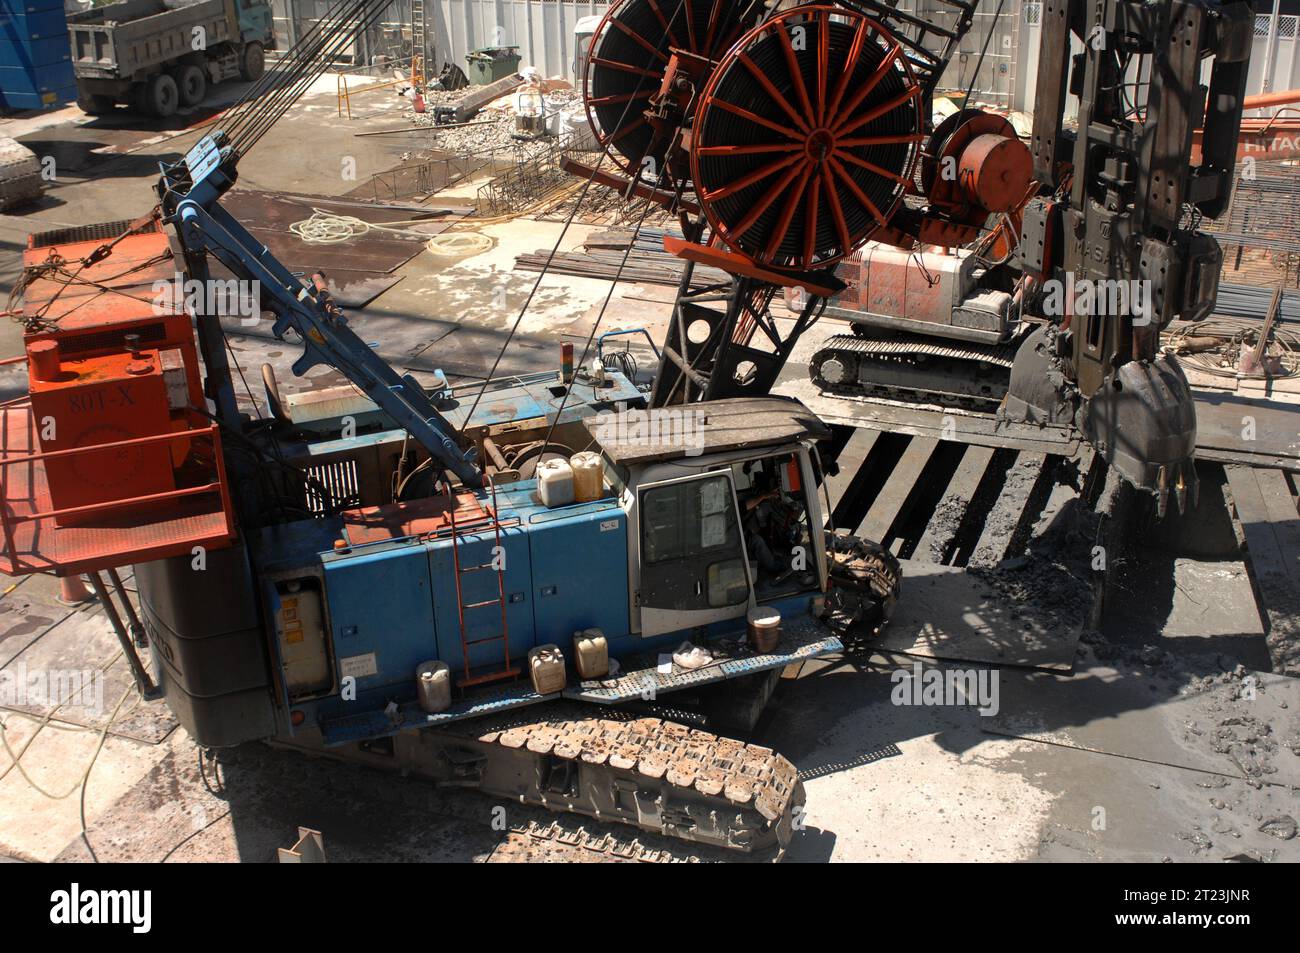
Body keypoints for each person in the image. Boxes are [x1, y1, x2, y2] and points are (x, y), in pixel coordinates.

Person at [743, 470, 794, 583]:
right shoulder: (748, 503)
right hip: (739, 538)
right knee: (757, 541)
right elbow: (745, 506)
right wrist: (764, 496)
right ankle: (773, 566)